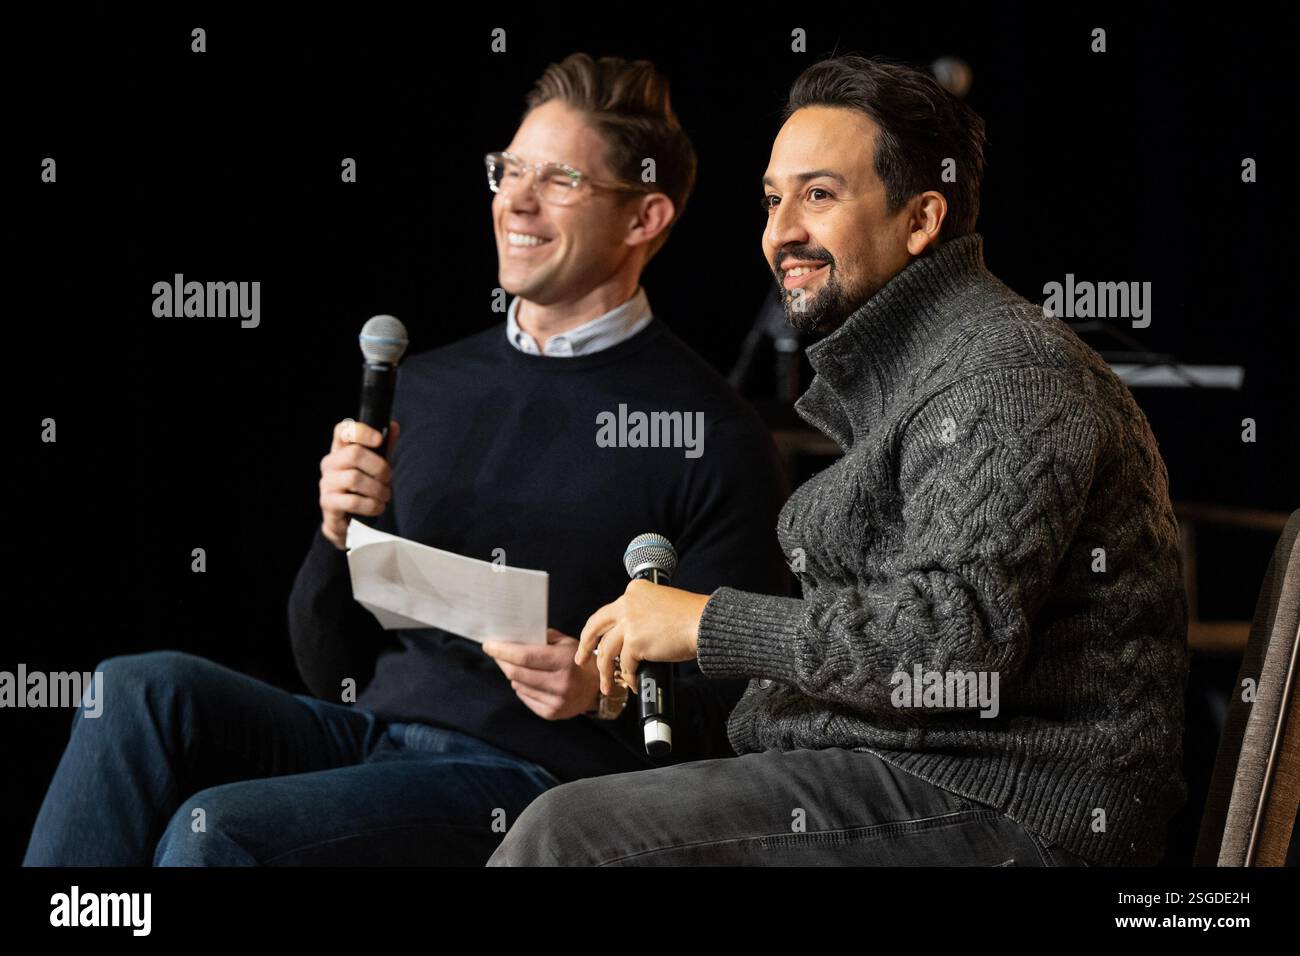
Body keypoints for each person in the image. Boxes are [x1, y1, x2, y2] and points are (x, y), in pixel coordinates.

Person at [22, 53, 790, 867]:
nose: (515, 201)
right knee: (132, 690)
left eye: (559, 179)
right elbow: (331, 669)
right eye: (508, 170)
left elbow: (740, 716)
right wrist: (334, 535)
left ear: (644, 218)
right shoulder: (424, 386)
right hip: (368, 733)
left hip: (529, 781)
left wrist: (601, 696)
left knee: (223, 829)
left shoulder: (713, 432)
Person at [490, 54, 1189, 868]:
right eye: (773, 199)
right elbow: (850, 682)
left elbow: (949, 646)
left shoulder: (1005, 376)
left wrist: (707, 620)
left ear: (921, 219)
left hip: (1011, 807)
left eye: (819, 195)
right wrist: (613, 689)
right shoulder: (920, 373)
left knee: (563, 836)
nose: (782, 230)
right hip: (915, 780)